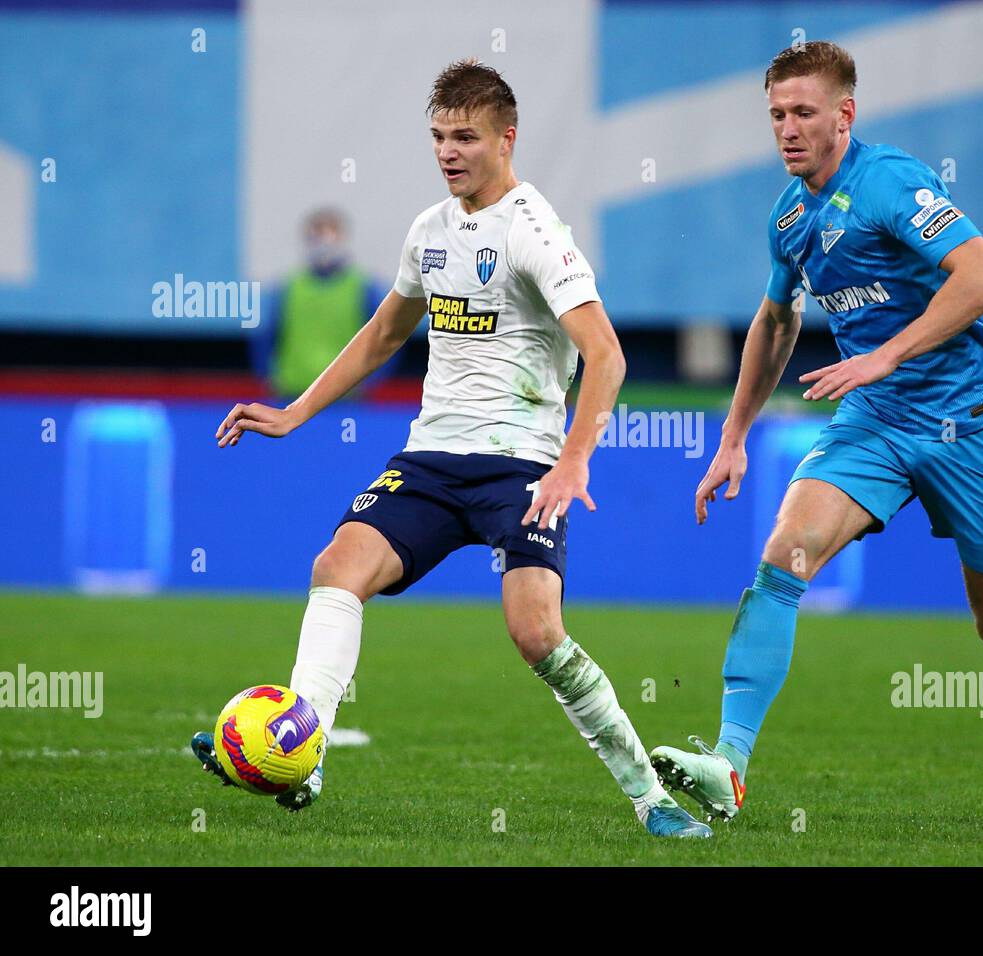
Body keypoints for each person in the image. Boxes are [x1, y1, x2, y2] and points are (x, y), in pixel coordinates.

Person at [191, 58, 712, 839]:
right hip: (433, 458)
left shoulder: (534, 230)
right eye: (438, 135)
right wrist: (296, 412)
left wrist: (574, 461)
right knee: (337, 567)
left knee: (536, 632)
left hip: (523, 466)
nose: (448, 150)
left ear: (507, 138)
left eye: (465, 135)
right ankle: (303, 752)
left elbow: (606, 354)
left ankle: (652, 799)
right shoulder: (429, 231)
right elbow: (382, 336)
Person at [650, 41, 983, 823]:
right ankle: (728, 764)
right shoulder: (791, 217)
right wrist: (733, 434)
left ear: (845, 115)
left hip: (971, 420)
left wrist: (885, 355)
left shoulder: (890, 181)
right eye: (776, 115)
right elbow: (775, 321)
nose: (788, 129)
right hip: (877, 423)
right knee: (783, 554)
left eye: (804, 113)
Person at [252, 208, 391, 399]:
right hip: (292, 392)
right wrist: (270, 377)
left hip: (346, 396)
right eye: (317, 237)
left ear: (342, 239)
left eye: (330, 236)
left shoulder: (364, 287)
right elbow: (266, 337)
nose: (324, 245)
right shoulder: (286, 288)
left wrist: (370, 382)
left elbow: (388, 336)